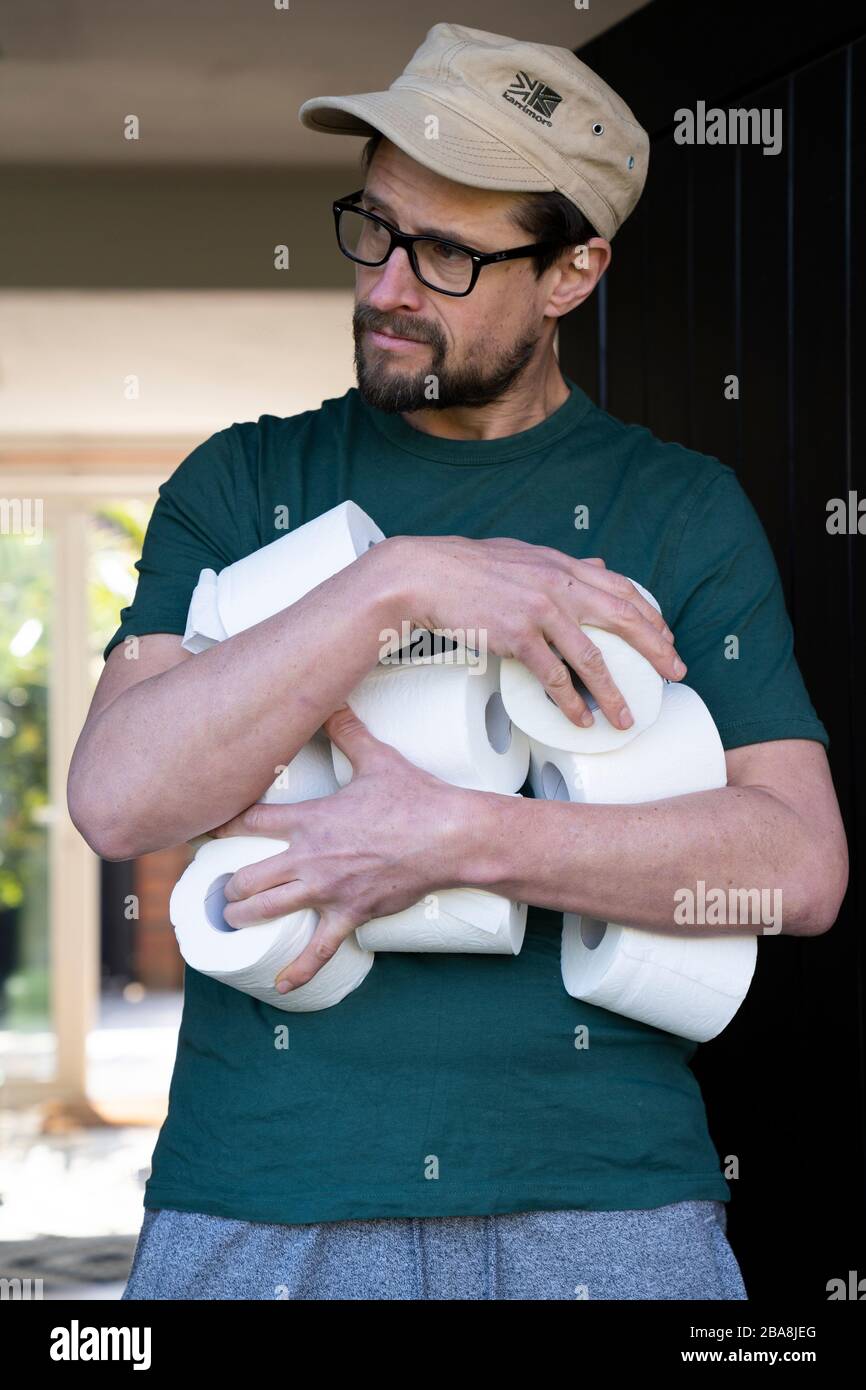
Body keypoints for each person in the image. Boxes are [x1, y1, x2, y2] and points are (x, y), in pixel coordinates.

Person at [68, 23, 847, 1301]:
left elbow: (797, 865)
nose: (385, 286)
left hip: (602, 1199)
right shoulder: (243, 483)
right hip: (268, 1191)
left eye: (446, 254)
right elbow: (117, 799)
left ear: (571, 272)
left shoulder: (676, 507)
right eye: (372, 227)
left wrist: (454, 838)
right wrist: (397, 584)